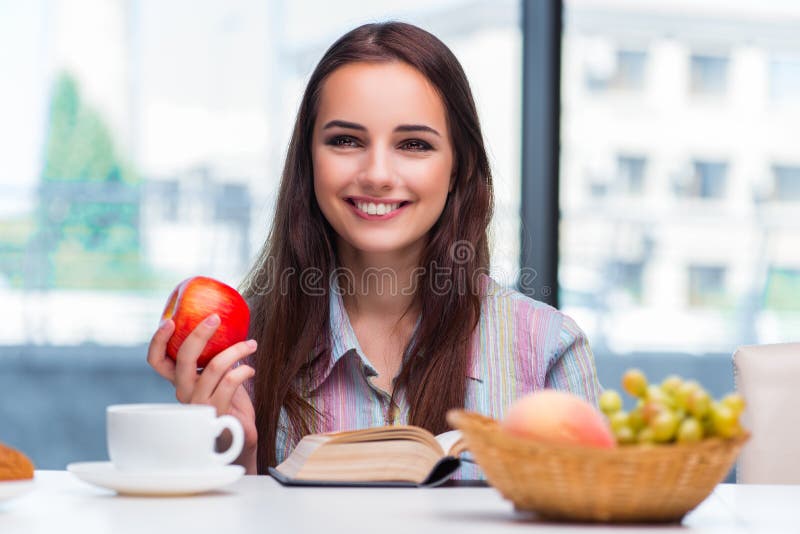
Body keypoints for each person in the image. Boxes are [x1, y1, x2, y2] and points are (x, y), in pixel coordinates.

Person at [147, 21, 602, 478]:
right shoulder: (243, 356)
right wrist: (235, 460)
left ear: (459, 170)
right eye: (346, 140)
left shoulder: (549, 349)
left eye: (413, 144)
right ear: (309, 161)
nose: (378, 174)